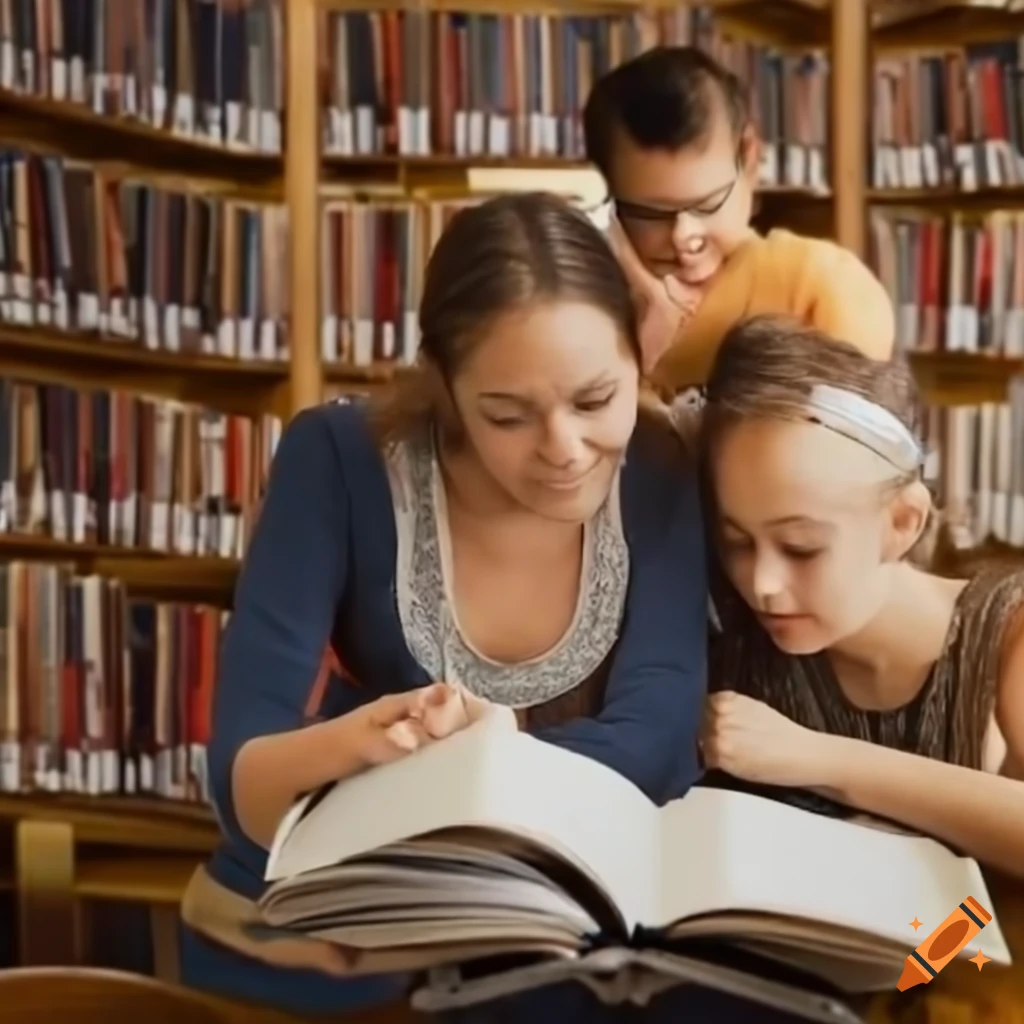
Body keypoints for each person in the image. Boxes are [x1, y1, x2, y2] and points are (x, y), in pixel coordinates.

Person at [177, 191, 710, 1016]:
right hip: (348, 920)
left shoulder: (661, 467)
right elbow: (244, 769)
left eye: (597, 400)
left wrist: (476, 765)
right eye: (506, 414)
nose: (565, 451)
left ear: (638, 358)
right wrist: (363, 739)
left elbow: (656, 739)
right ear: (445, 387)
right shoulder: (338, 456)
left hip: (567, 925)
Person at [697, 315, 1024, 880]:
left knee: (916, 972)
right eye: (737, 541)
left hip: (958, 945)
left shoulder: (1006, 631)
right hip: (771, 951)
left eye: (801, 547)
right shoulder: (728, 630)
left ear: (902, 523)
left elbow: (980, 915)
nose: (763, 583)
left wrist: (819, 759)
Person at [582, 47, 896, 391]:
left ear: (749, 158)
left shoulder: (819, 283)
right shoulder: (583, 304)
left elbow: (852, 436)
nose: (684, 236)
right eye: (649, 214)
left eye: (708, 204)